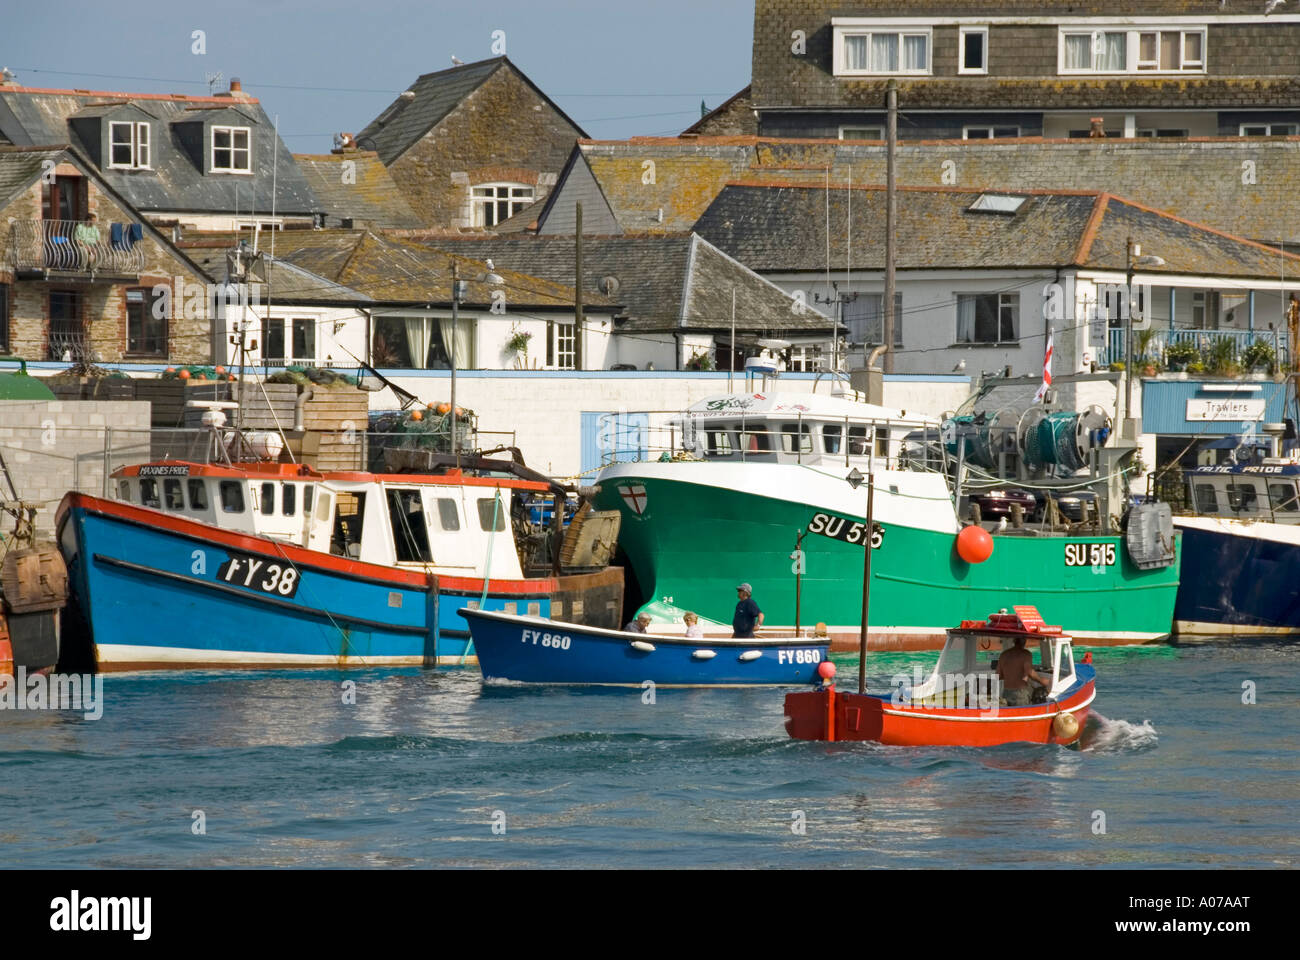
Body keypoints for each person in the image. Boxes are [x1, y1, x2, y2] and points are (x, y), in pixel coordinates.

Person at [996, 636, 1052, 706]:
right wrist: (1042, 681)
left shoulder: (1004, 654)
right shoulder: (1026, 654)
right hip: (1020, 694)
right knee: (1022, 715)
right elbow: (1029, 672)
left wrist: (1010, 675)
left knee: (1010, 714)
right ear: (1024, 641)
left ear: (1014, 640)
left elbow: (998, 675)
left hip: (1006, 692)